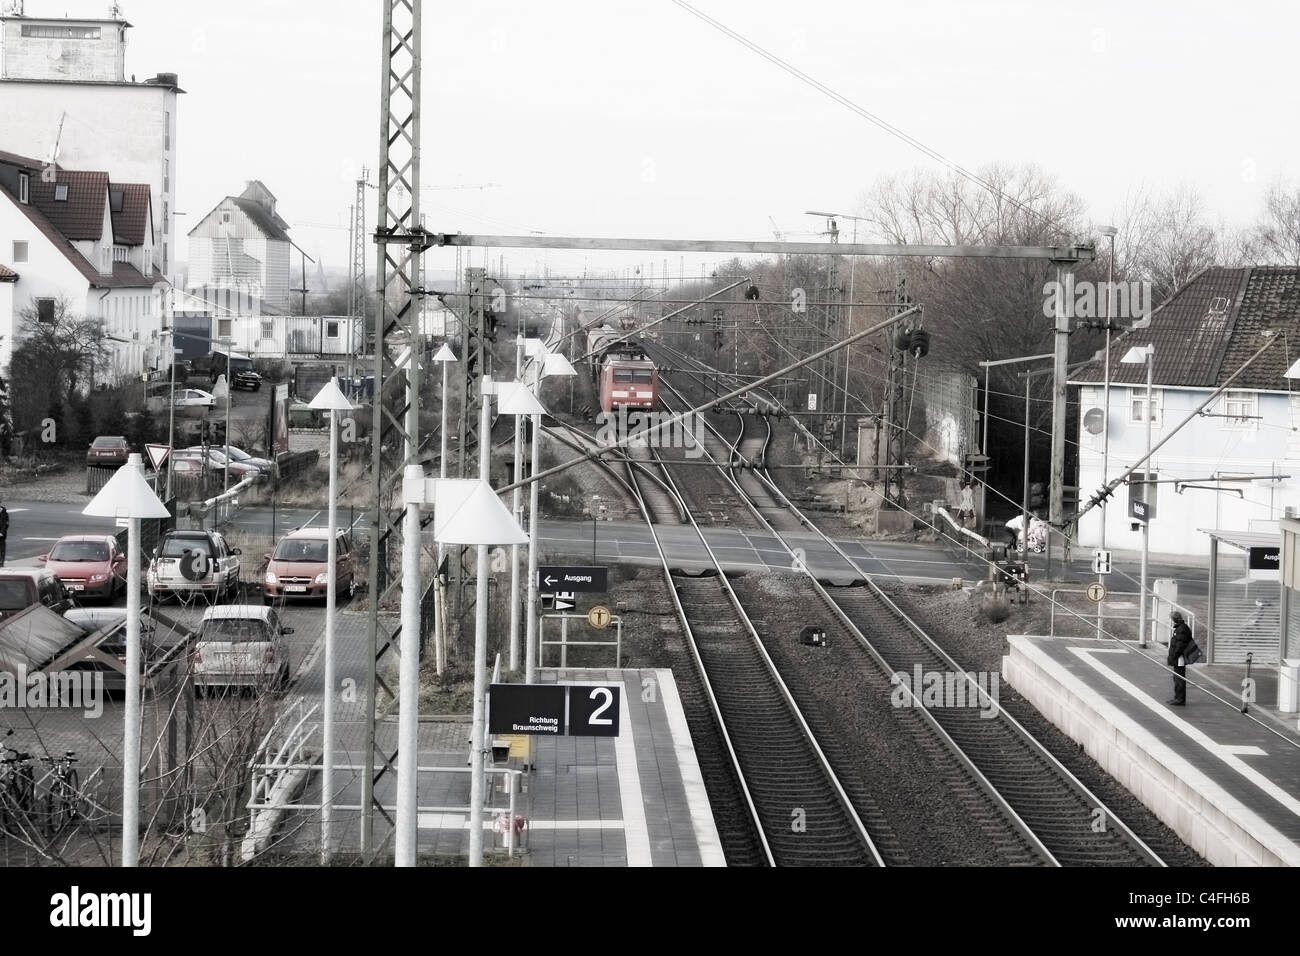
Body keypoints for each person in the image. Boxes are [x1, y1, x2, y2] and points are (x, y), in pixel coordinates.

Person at [1167, 610, 1194, 706]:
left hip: (1179, 659)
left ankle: (1180, 699)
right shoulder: (1181, 628)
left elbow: (1180, 645)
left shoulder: (1181, 629)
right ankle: (1177, 698)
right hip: (1178, 658)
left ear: (1174, 619)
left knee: (1179, 679)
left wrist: (1174, 656)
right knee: (1177, 678)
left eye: (1171, 618)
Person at [0, 499, 9, 567]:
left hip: (1, 535)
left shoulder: (4, 512)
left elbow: (6, 524)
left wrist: (2, 532)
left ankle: (1, 562)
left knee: (2, 549)